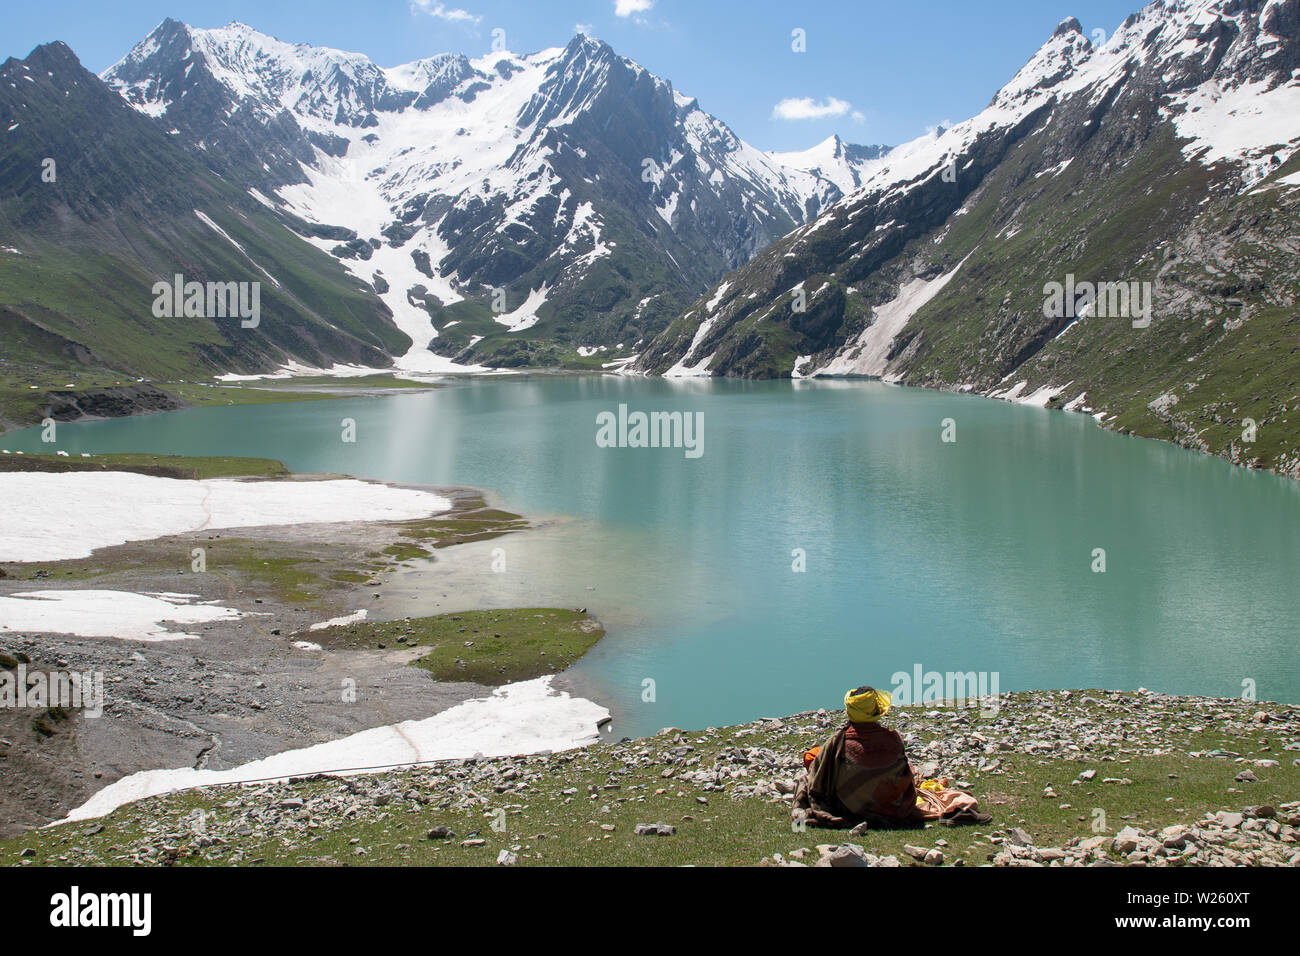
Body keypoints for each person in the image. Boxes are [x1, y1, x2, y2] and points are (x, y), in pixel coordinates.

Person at [793, 685, 990, 829]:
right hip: (893, 807)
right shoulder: (892, 740)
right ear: (876, 711)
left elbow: (818, 776)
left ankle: (799, 825)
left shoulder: (838, 743)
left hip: (849, 808)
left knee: (808, 772)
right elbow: (904, 779)